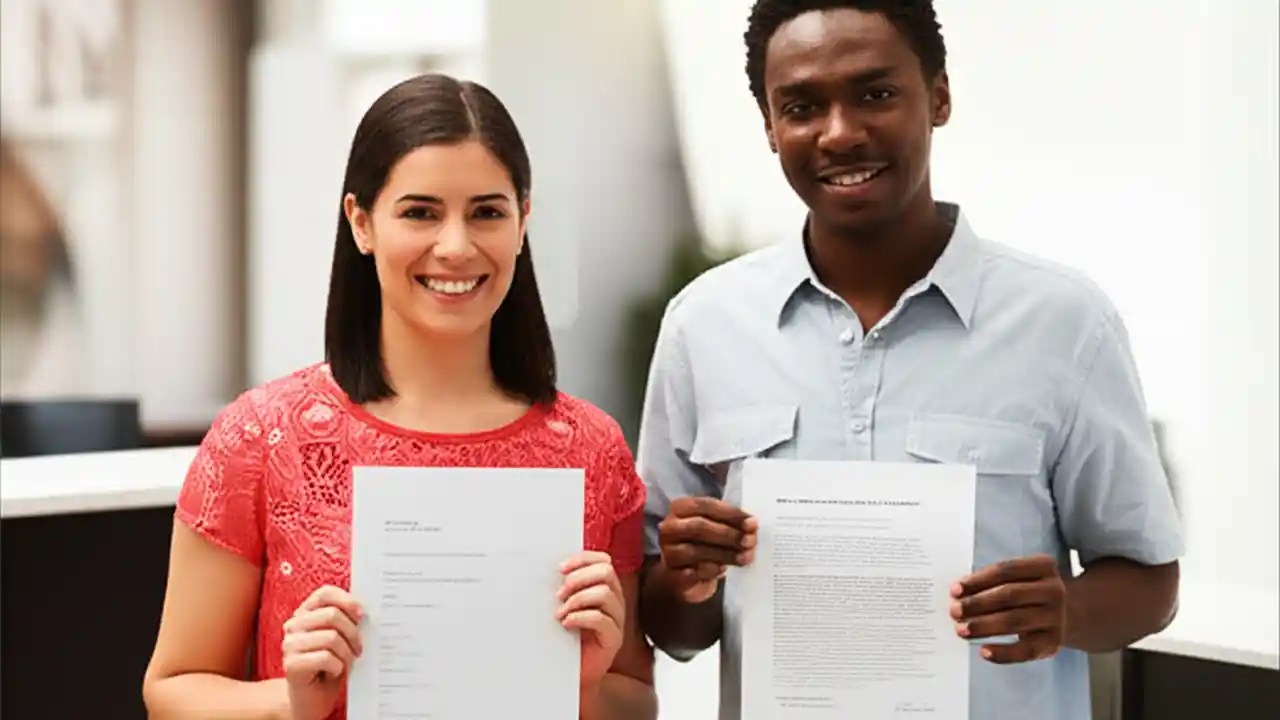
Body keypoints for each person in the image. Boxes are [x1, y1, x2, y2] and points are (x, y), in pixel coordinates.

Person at [636, 2, 1183, 719]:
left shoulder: (1064, 323)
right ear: (770, 127)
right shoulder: (703, 326)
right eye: (801, 106)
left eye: (875, 94)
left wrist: (1068, 611)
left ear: (940, 97)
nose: (840, 132)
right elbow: (675, 631)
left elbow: (1151, 584)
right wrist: (685, 582)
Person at [142, 73, 656, 720]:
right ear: (361, 221)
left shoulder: (592, 449)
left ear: (524, 220)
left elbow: (635, 701)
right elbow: (172, 690)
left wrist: (582, 684)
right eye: (420, 212)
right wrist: (291, 703)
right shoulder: (264, 436)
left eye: (487, 212)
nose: (456, 246)